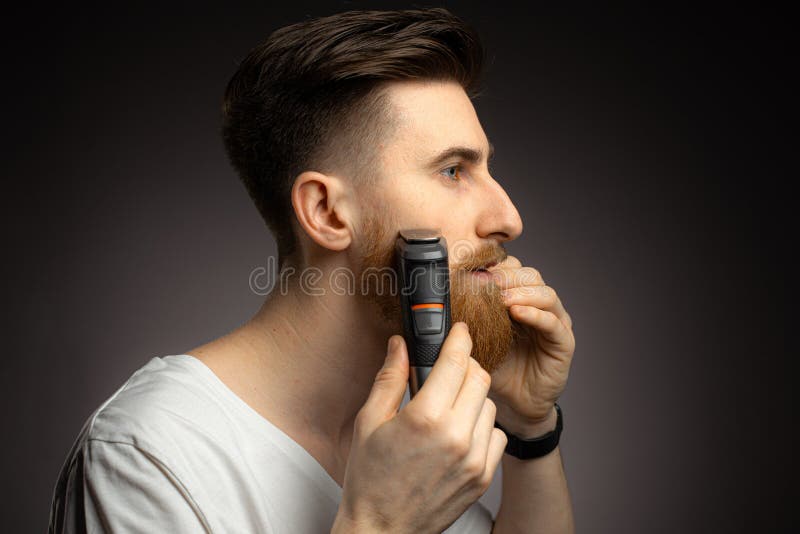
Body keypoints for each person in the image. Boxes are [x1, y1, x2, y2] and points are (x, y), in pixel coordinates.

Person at [49, 7, 575, 533]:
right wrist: (380, 522)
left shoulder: (425, 441)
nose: (509, 218)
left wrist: (530, 429)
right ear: (325, 212)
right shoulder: (148, 455)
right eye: (453, 170)